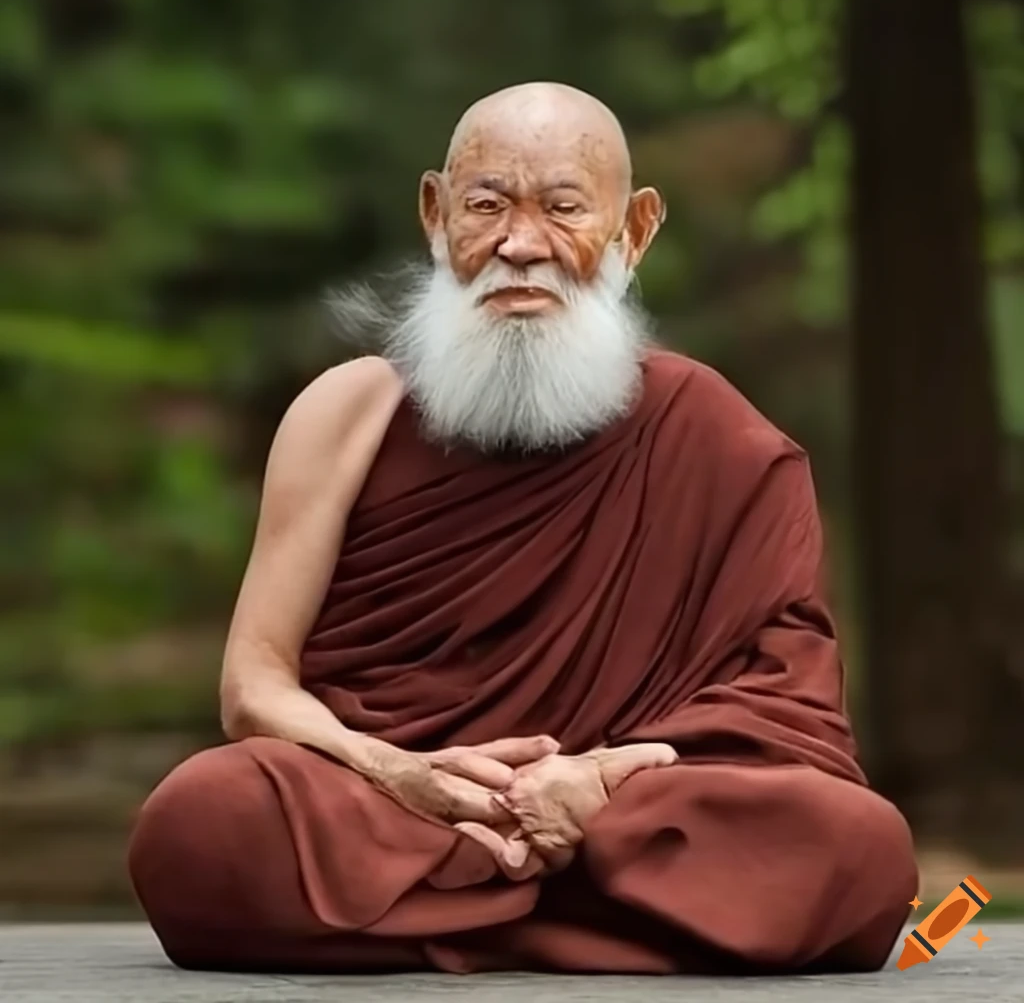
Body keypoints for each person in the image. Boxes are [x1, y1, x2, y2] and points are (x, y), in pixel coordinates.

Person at [128, 81, 918, 976]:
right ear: (436, 215)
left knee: (862, 850)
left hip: (622, 813)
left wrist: (600, 781)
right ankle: (581, 918)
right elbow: (255, 685)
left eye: (565, 208)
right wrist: (395, 772)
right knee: (198, 822)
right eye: (487, 205)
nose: (521, 245)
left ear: (635, 232)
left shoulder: (718, 436)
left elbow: (783, 708)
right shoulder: (349, 413)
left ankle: (456, 909)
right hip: (393, 803)